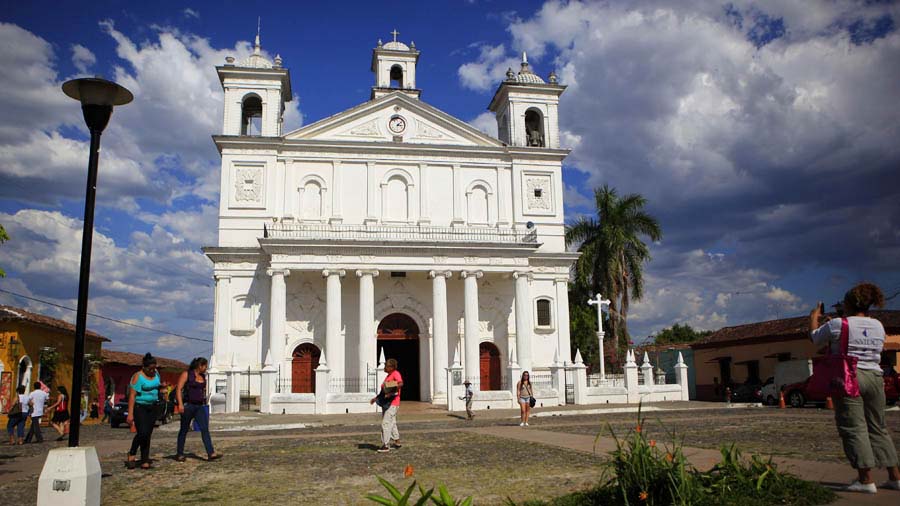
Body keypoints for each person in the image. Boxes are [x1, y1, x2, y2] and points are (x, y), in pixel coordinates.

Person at [810, 282, 900, 493]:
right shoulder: (878, 325)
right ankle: (895, 476)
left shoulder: (838, 325)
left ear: (848, 304)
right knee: (878, 427)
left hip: (850, 375)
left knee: (854, 427)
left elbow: (815, 338)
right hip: (876, 376)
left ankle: (865, 479)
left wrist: (813, 317)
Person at [175, 357, 221, 462]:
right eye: (205, 366)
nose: (206, 368)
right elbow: (178, 389)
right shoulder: (187, 374)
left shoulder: (203, 377)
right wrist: (180, 404)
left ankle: (211, 453)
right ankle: (180, 453)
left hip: (199, 406)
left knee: (205, 428)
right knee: (184, 429)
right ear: (199, 366)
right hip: (188, 405)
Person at [126, 353, 161, 470]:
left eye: (154, 368)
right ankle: (132, 453)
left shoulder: (156, 374)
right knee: (142, 433)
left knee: (148, 434)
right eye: (150, 369)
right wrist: (130, 414)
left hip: (153, 407)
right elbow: (132, 395)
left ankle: (145, 459)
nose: (153, 371)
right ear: (144, 367)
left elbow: (158, 387)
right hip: (140, 407)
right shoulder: (138, 377)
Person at [370, 358, 403, 453]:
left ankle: (385, 445)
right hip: (387, 403)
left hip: (392, 403)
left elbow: (400, 383)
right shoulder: (389, 375)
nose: (385, 367)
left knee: (386, 423)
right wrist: (376, 398)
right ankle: (397, 442)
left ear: (392, 367)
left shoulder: (395, 374)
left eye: (386, 366)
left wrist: (392, 391)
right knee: (391, 423)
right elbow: (384, 390)